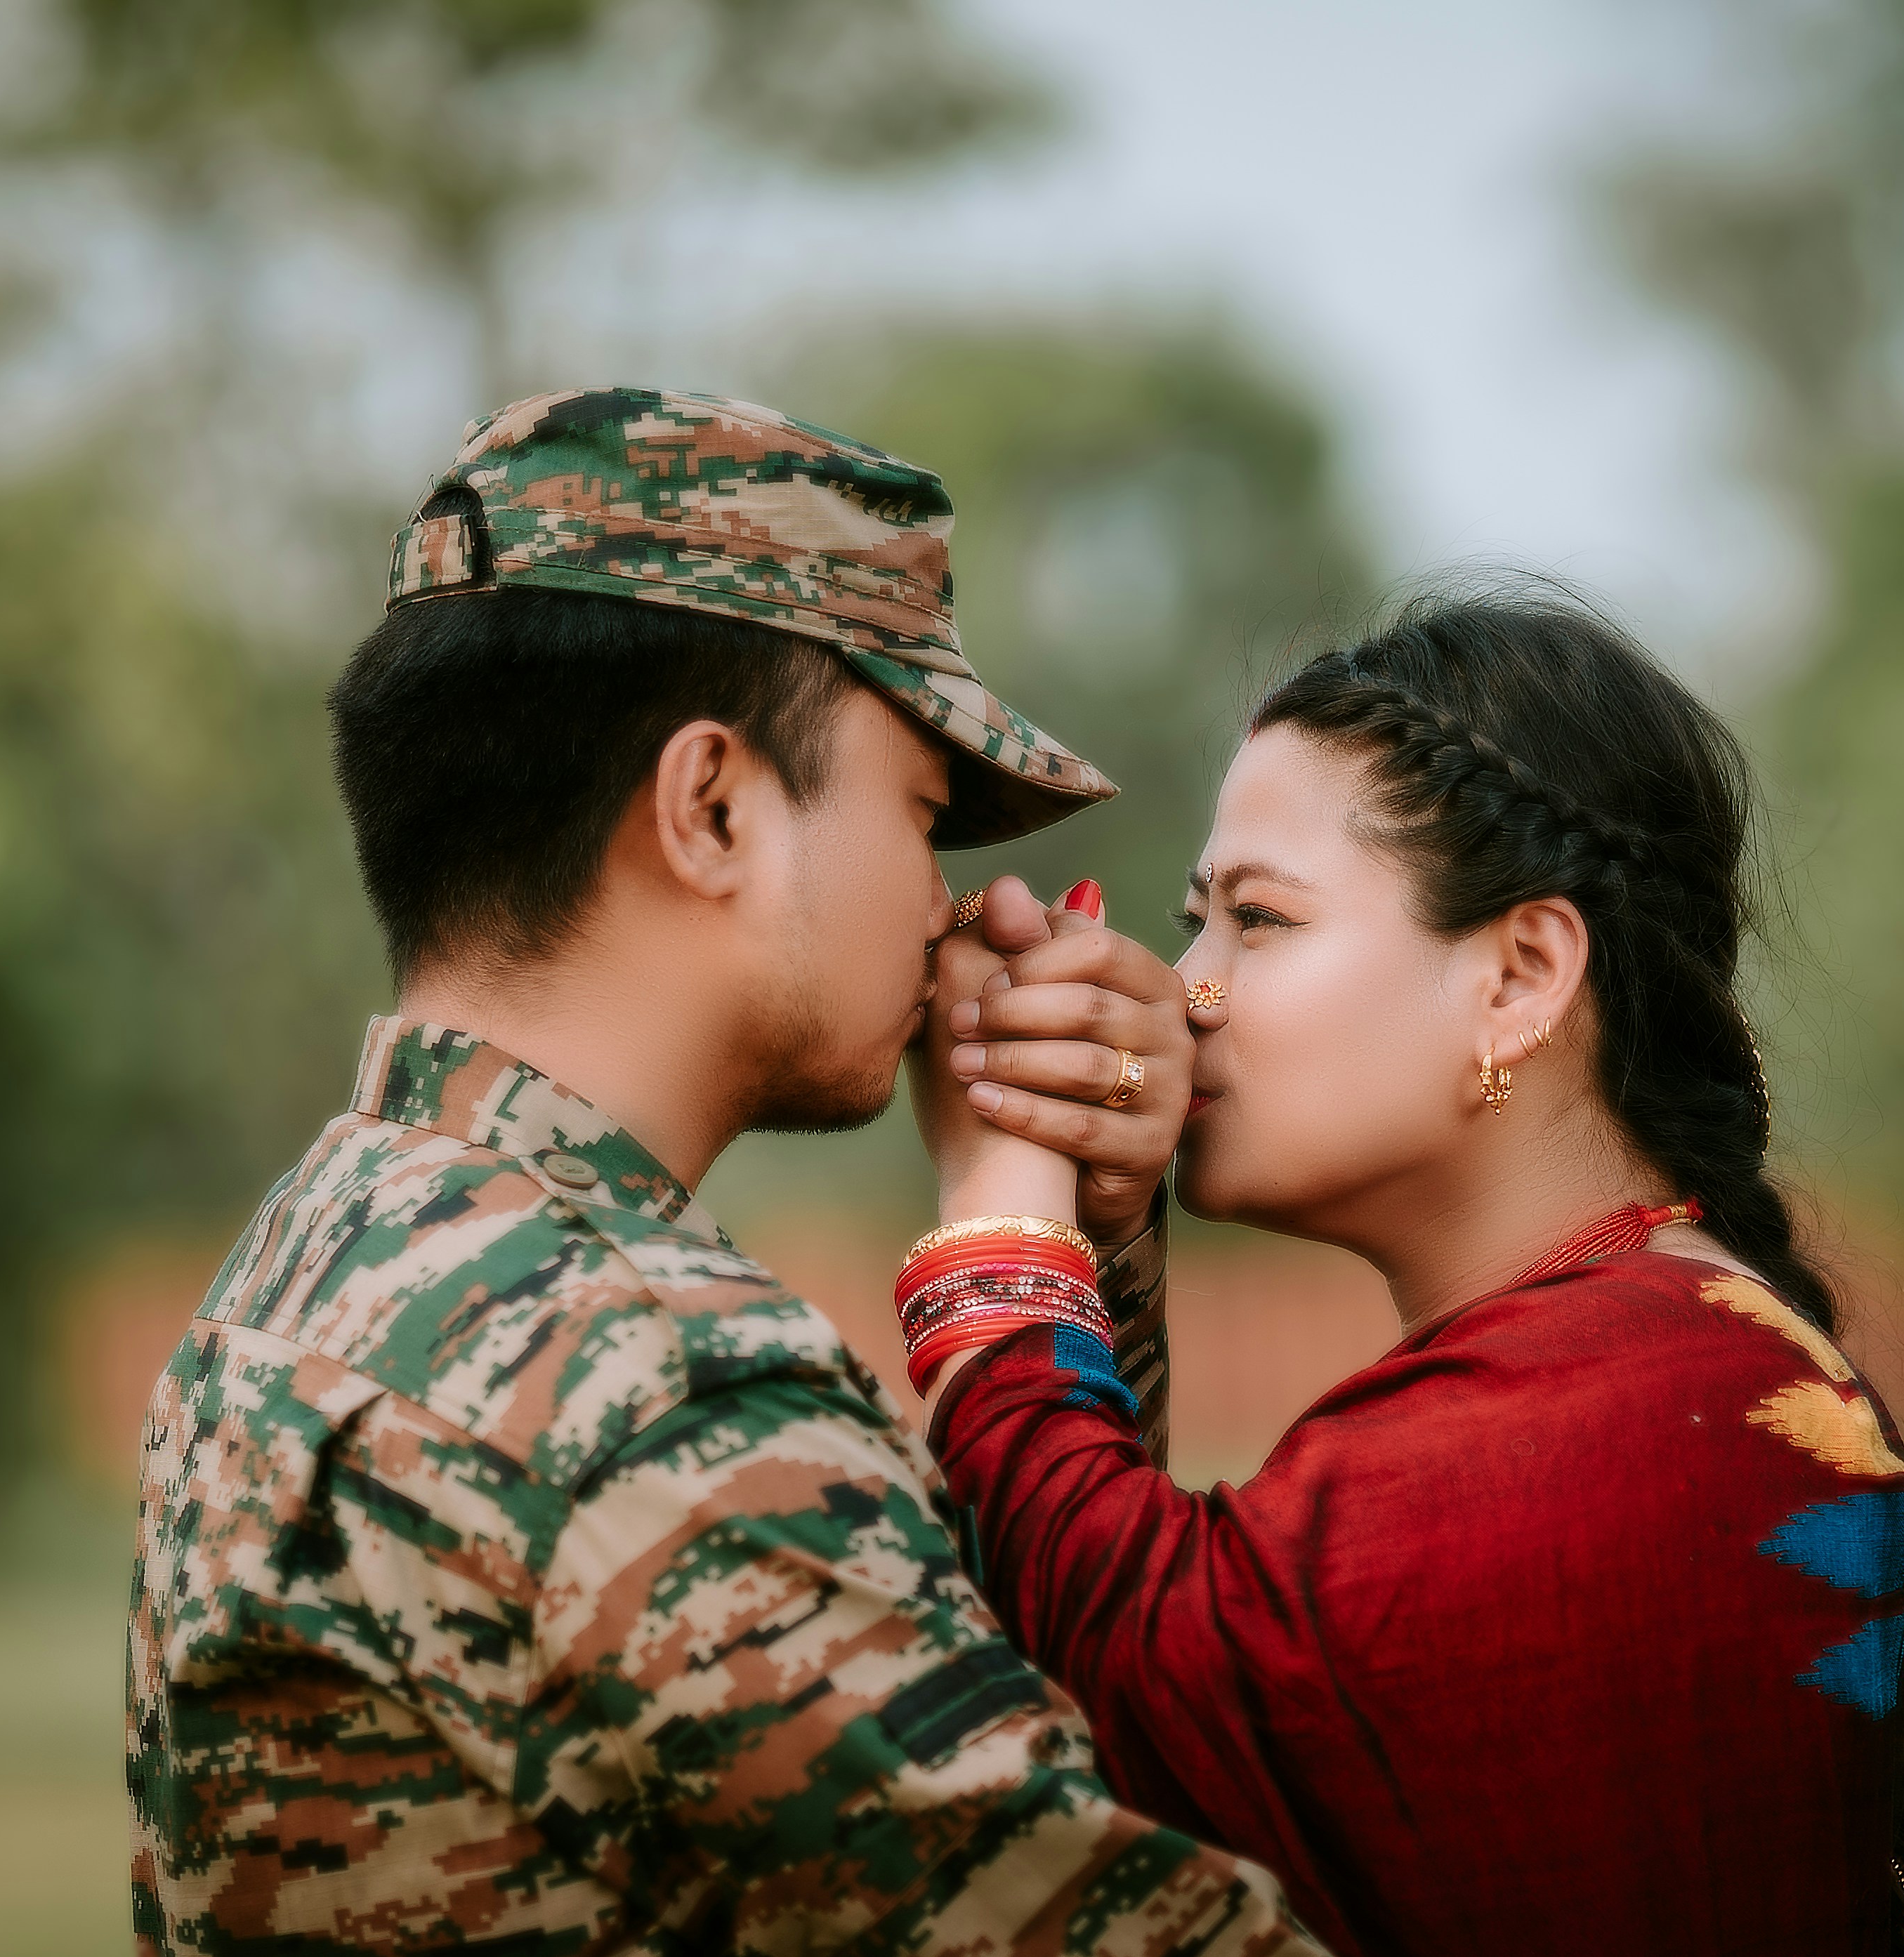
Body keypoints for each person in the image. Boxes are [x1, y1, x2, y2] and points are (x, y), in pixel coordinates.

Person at [125, 386, 1322, 1956]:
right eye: (921, 811)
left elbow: (959, 1718)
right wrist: (1001, 1239)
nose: (955, 900)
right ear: (710, 807)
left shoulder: (306, 1251)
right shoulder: (652, 1380)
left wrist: (1080, 1229)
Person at [896, 591, 1904, 1956]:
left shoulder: (1641, 1405)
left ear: (1521, 972)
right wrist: (1100, 1222)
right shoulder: (1660, 1352)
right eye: (1190, 920)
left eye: (1258, 920)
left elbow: (1117, 1699)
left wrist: (1001, 1184)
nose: (1185, 988)